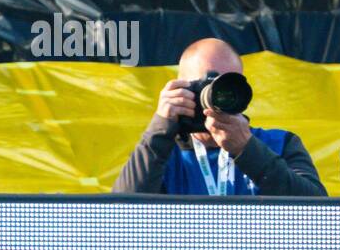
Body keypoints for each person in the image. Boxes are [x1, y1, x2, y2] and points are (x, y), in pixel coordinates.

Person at [113, 38, 326, 197]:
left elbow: (319, 215)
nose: (216, 96)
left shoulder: (279, 144)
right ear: (180, 88)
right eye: (204, 85)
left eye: (227, 85)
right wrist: (160, 127)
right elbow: (118, 215)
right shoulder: (162, 154)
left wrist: (248, 149)